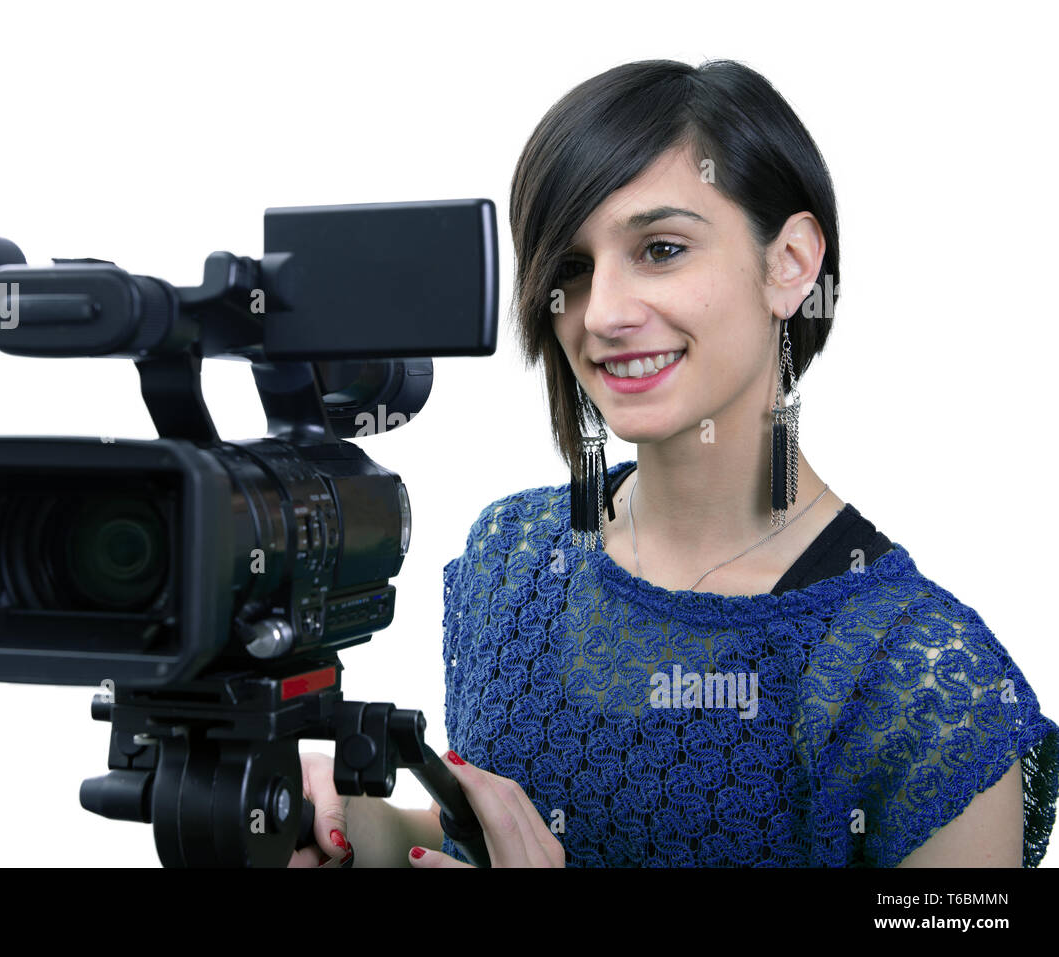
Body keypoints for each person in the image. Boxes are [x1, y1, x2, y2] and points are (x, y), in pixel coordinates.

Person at [291, 57, 1059, 868]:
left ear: (791, 263)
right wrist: (354, 826)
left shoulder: (923, 683)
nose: (605, 313)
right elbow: (479, 838)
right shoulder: (512, 557)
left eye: (660, 248)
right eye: (573, 269)